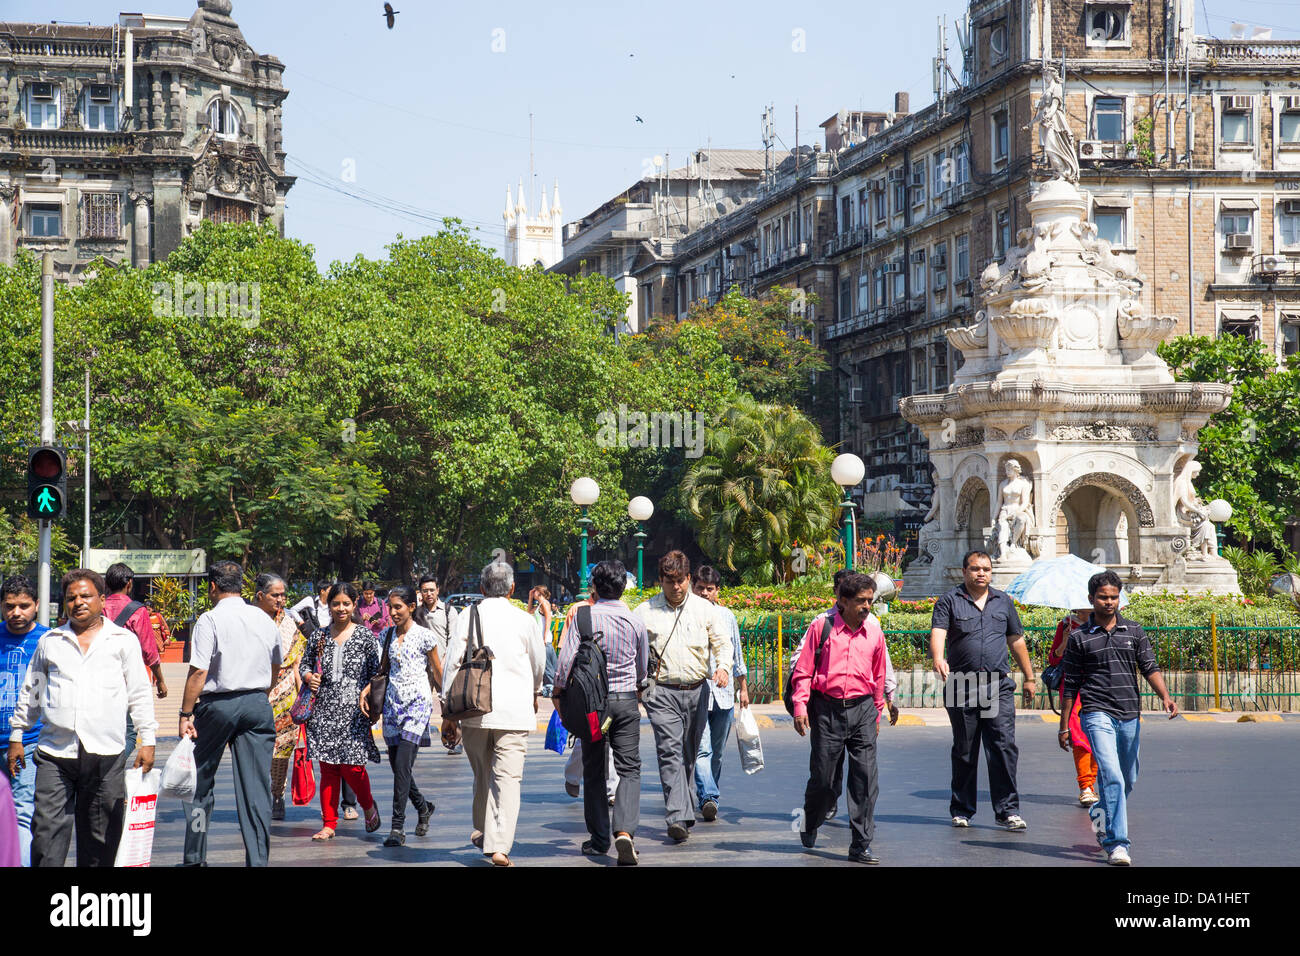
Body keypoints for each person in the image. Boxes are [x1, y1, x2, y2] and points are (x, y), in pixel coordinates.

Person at [6, 569, 157, 867]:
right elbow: (32, 692)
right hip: (54, 754)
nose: (78, 603)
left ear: (102, 600)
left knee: (100, 841)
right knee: (46, 836)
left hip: (106, 755)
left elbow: (139, 693)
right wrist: (17, 735)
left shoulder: (122, 641)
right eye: (71, 598)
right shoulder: (51, 641)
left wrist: (148, 740)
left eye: (86, 596)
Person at [1060, 571, 1178, 866]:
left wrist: (1165, 695)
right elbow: (1071, 684)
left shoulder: (1134, 631)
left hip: (1129, 713)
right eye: (1103, 597)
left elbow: (1149, 666)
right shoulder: (1078, 638)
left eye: (1113, 597)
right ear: (1091, 600)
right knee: (1110, 775)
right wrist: (1064, 726)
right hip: (1096, 712)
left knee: (1128, 777)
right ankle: (1117, 844)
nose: (1109, 602)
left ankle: (1100, 813)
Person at [179, 560, 281, 867]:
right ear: (242, 587)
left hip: (217, 706)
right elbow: (275, 665)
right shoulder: (265, 619)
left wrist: (185, 714)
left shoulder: (209, 620)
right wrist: (260, 695)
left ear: (212, 587)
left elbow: (199, 672)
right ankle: (258, 861)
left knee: (199, 783)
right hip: (256, 705)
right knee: (256, 790)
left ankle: (195, 858)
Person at [442, 561, 544, 867]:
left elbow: (452, 663)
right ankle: (499, 845)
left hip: (474, 710)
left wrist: (448, 712)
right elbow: (538, 664)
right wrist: (535, 692)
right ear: (513, 589)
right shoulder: (524, 620)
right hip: (514, 711)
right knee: (508, 780)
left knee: (483, 775)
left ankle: (486, 831)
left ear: (482, 588)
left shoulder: (467, 616)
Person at [929, 550, 1037, 831]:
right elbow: (938, 632)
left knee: (1002, 747)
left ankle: (1008, 810)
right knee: (965, 749)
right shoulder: (949, 601)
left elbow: (1016, 640)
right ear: (964, 571)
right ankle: (962, 809)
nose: (981, 574)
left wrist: (1029, 676)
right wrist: (938, 658)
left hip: (996, 685)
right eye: (975, 569)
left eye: (986, 569)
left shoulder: (1003, 602)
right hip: (960, 684)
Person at [552, 560, 648, 865]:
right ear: (622, 588)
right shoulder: (635, 622)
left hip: (592, 706)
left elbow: (565, 663)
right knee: (629, 768)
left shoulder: (583, 617)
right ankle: (625, 832)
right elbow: (642, 667)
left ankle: (598, 840)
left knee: (594, 770)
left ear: (594, 587)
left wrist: (557, 695)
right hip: (626, 702)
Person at [633, 550, 731, 844]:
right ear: (660, 581)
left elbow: (721, 642)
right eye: (670, 581)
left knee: (688, 754)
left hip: (697, 690)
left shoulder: (705, 610)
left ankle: (686, 809)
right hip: (661, 691)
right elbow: (634, 651)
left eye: (681, 580)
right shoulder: (644, 612)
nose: (676, 587)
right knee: (669, 751)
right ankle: (676, 816)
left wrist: (724, 667)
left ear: (689, 578)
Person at [791, 572, 888, 863]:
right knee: (823, 780)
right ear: (842, 601)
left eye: (870, 601)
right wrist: (799, 707)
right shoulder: (822, 626)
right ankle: (809, 821)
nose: (867, 607)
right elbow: (803, 670)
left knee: (865, 780)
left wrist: (878, 713)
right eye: (860, 601)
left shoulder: (874, 631)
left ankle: (860, 845)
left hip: (863, 710)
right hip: (827, 710)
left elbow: (880, 674)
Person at [300, 582, 383, 841]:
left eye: (346, 603)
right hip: (323, 710)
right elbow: (304, 663)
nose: (341, 608)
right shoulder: (319, 636)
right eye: (336, 603)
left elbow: (377, 673)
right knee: (328, 769)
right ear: (329, 605)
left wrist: (367, 690)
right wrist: (308, 676)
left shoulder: (365, 637)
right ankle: (328, 822)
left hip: (354, 713)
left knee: (353, 767)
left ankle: (368, 805)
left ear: (354, 604)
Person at [361, 585, 441, 847]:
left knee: (404, 764)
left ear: (410, 607)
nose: (393, 612)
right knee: (398, 767)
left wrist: (448, 706)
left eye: (398, 607)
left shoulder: (425, 637)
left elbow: (438, 673)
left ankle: (397, 827)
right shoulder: (385, 636)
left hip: (417, 705)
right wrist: (367, 691)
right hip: (392, 707)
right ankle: (423, 806)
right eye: (390, 607)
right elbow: (382, 670)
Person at [691, 565, 749, 822]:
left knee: (717, 752)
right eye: (700, 588)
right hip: (696, 693)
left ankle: (708, 792)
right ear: (693, 588)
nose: (704, 593)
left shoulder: (727, 617)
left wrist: (743, 688)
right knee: (702, 751)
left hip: (724, 696)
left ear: (717, 592)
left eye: (709, 589)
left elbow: (736, 654)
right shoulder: (685, 615)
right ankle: (709, 798)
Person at [0, 575, 49, 866]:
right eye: (9, 606)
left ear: (36, 605)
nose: (16, 613)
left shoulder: (49, 640)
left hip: (28, 743)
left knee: (21, 812)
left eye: (23, 606)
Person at [103, 562, 168, 762]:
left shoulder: (98, 606)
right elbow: (149, 651)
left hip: (98, 675)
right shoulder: (137, 611)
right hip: (126, 679)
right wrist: (160, 680)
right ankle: (113, 767)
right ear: (129, 584)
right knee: (129, 732)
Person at [558, 593, 619, 804]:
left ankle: (611, 790)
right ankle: (573, 775)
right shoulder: (579, 610)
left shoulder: (620, 611)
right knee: (589, 733)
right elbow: (565, 648)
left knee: (607, 736)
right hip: (586, 686)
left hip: (611, 684)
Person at [255, 573, 306, 821]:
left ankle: (277, 795)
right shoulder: (250, 621)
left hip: (285, 692)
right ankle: (257, 794)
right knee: (256, 747)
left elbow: (297, 663)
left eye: (283, 595)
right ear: (260, 596)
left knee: (283, 748)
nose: (281, 600)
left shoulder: (288, 623)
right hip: (255, 690)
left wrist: (303, 700)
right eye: (276, 595)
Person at [1048, 607, 1098, 807]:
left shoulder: (1104, 625)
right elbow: (1053, 658)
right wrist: (1064, 643)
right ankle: (1085, 786)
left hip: (1099, 685)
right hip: (1072, 687)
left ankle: (1091, 783)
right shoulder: (1066, 625)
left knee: (1099, 733)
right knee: (1079, 735)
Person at [414, 575, 460, 755]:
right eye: (425, 591)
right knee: (420, 703)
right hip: (421, 667)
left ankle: (454, 741)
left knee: (448, 704)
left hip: (443, 666)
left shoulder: (449, 611)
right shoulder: (416, 613)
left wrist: (445, 661)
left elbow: (453, 640)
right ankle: (416, 741)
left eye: (432, 590)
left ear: (438, 590)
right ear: (420, 593)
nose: (429, 594)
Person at [527, 586, 555, 695]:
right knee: (546, 664)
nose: (533, 593)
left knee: (546, 665)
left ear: (539, 592)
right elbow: (529, 611)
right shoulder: (539, 605)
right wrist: (530, 598)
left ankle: (551, 688)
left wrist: (544, 636)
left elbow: (548, 619)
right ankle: (549, 688)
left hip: (545, 639)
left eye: (534, 591)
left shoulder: (544, 603)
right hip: (542, 639)